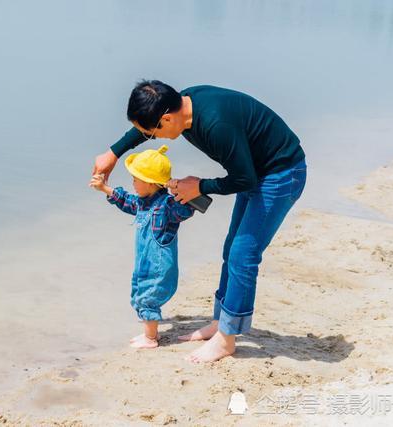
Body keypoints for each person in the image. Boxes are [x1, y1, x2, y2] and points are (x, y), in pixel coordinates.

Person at [92, 80, 307, 362]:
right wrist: (114, 153)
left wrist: (200, 186)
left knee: (244, 255)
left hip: (280, 175)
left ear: (166, 119)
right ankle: (221, 323)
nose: (151, 138)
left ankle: (227, 340)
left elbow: (244, 180)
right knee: (231, 249)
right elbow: (148, 126)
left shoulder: (216, 125)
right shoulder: (184, 103)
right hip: (255, 170)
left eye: (151, 133)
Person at [90, 145, 194, 349]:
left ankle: (150, 338)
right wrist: (104, 188)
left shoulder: (167, 207)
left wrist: (177, 188)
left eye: (136, 179)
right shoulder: (143, 202)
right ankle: (148, 330)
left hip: (159, 266)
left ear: (150, 182)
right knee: (139, 292)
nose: (133, 182)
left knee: (148, 297)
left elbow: (187, 209)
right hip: (144, 263)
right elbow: (126, 201)